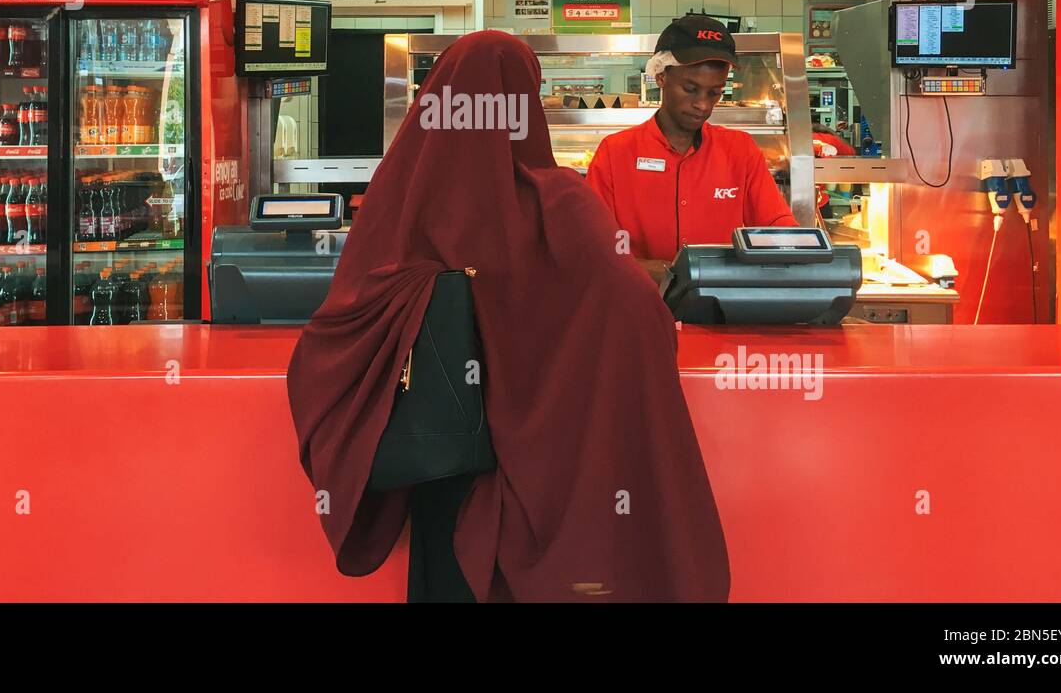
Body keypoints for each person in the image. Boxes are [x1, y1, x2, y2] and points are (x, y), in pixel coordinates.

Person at [287, 30, 730, 603]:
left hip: (442, 452)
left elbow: (336, 325)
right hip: (537, 474)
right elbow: (635, 310)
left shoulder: (399, 194)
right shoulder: (560, 201)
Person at [587, 15, 798, 284]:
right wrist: (661, 272)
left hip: (721, 311)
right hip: (639, 309)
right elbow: (592, 249)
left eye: (715, 93)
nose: (703, 105)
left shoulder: (740, 151)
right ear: (661, 77)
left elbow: (779, 230)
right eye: (690, 89)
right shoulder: (615, 153)